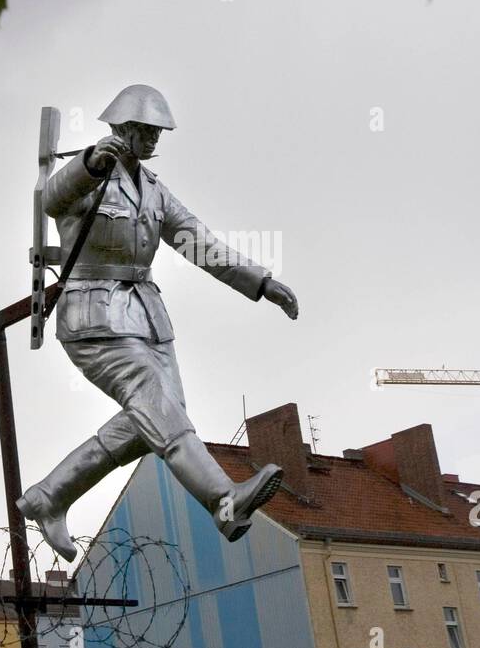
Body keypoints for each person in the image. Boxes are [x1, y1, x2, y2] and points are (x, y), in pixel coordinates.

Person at [16, 84, 300, 561]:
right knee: (155, 404)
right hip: (94, 315)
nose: (153, 140)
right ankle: (222, 498)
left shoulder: (153, 191)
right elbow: (52, 199)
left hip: (147, 318)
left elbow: (198, 242)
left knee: (155, 417)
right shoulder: (88, 173)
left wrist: (261, 282)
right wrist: (90, 164)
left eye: (157, 132)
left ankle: (51, 496)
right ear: (121, 129)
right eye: (146, 131)